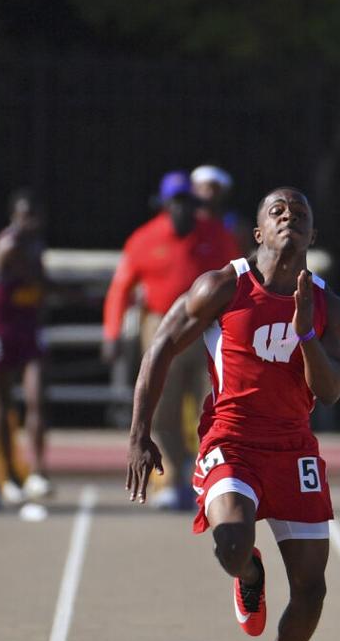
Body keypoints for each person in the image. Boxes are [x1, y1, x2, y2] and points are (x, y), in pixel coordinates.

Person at [125, 187, 340, 641]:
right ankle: (248, 569)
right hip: (232, 437)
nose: (288, 219)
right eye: (277, 212)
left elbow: (334, 390)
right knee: (231, 543)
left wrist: (306, 336)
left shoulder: (330, 308)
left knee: (313, 589)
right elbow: (160, 346)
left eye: (300, 214)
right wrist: (139, 432)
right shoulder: (223, 286)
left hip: (293, 445)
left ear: (312, 236)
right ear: (259, 233)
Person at [103, 171, 243, 509]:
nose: (183, 209)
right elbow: (121, 287)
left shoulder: (216, 234)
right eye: (176, 202)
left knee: (212, 403)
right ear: (164, 205)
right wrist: (112, 331)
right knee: (162, 406)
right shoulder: (144, 239)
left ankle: (209, 473)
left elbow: (241, 276)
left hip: (210, 328)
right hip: (162, 327)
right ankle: (172, 477)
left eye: (188, 202)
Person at [0, 189, 52, 503]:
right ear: (14, 217)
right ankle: (10, 474)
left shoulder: (35, 244)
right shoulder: (8, 246)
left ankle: (37, 470)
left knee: (36, 398)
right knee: (3, 403)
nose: (30, 222)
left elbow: (42, 286)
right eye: (24, 216)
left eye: (34, 215)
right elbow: (34, 283)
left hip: (27, 326)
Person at [190, 164, 252, 253]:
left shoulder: (237, 225)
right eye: (203, 189)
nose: (209, 194)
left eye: (214, 189)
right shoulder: (184, 222)